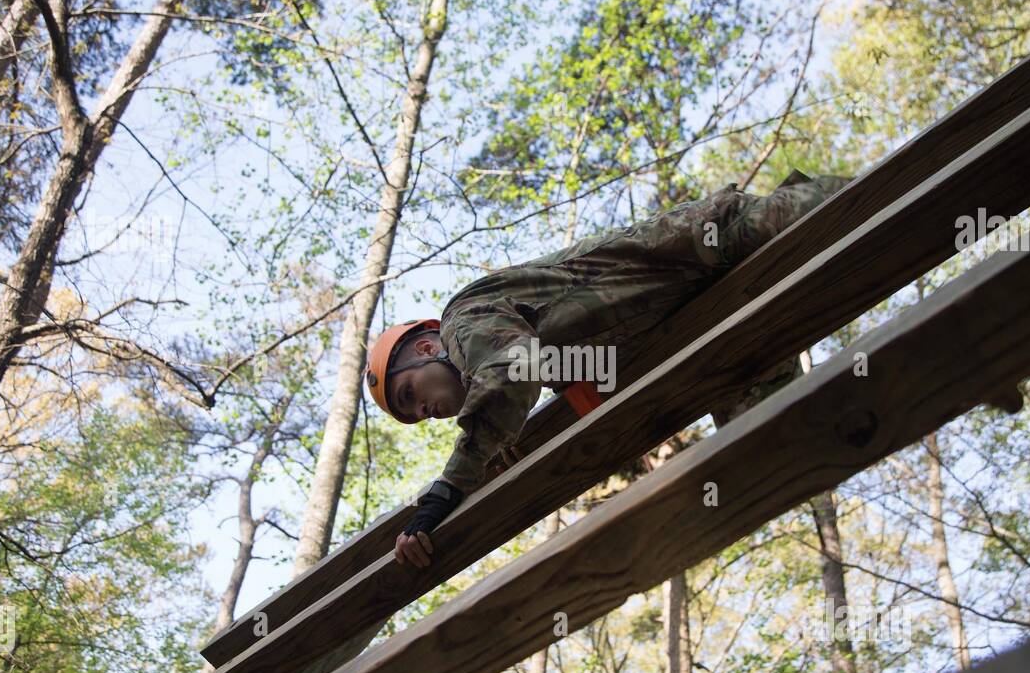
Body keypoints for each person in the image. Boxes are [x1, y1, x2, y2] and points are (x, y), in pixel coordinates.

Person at [365, 170, 854, 568]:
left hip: (713, 244)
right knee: (790, 449)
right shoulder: (544, 366)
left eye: (409, 394)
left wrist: (448, 489)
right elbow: (585, 389)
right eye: (416, 417)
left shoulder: (463, 318)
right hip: (715, 335)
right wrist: (506, 447)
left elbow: (510, 371)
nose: (426, 411)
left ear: (427, 347)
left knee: (876, 198)